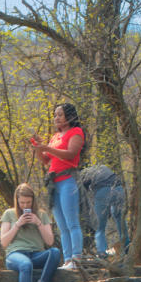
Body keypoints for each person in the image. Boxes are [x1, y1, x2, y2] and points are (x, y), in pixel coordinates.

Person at [30, 102, 86, 268]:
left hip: (68, 180)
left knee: (72, 222)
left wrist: (47, 147)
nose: (56, 118)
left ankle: (77, 258)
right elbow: (46, 160)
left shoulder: (76, 132)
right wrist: (38, 148)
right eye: (55, 115)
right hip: (54, 183)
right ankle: (67, 259)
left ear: (69, 116)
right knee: (62, 225)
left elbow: (70, 154)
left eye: (60, 115)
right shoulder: (55, 137)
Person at [0, 183, 61, 282]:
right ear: (17, 201)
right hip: (15, 254)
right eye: (22, 203)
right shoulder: (9, 214)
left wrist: (38, 223)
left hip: (36, 254)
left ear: (33, 201)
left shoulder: (42, 215)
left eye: (28, 202)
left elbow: (49, 241)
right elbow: (4, 242)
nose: (25, 206)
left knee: (55, 252)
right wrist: (17, 224)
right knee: (25, 264)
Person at [79, 164, 129, 257]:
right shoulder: (101, 167)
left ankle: (102, 252)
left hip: (102, 191)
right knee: (120, 219)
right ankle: (127, 247)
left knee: (99, 227)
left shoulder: (82, 174)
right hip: (119, 188)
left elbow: (85, 195)